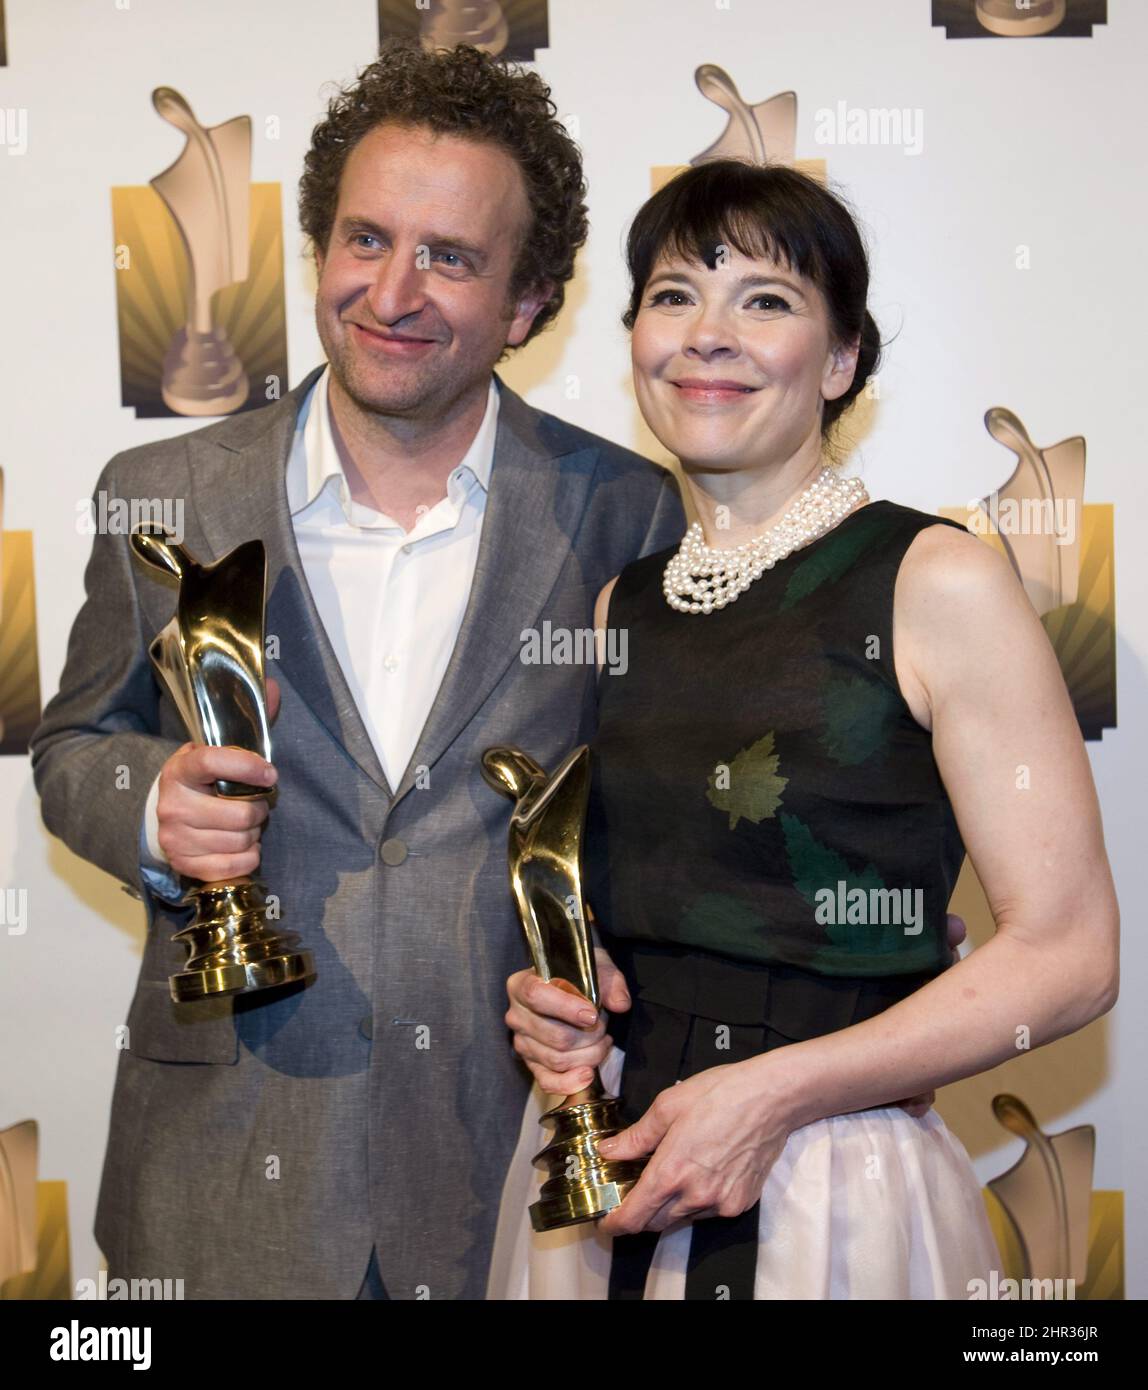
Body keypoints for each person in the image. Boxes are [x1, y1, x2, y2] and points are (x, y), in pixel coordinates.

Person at [29, 42, 685, 1300]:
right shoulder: (162, 494)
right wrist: (149, 804)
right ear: (318, 249)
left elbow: (662, 818)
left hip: (513, 1170)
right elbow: (69, 749)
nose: (393, 290)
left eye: (450, 257)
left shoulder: (625, 514)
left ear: (529, 301)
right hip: (221, 1174)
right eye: (366, 239)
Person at [489, 158, 1120, 1300]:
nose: (706, 335)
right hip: (617, 1166)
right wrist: (566, 1001)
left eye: (764, 301)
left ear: (839, 362)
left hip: (832, 1189)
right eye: (674, 295)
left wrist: (777, 1090)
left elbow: (1070, 956)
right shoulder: (616, 607)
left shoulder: (934, 578)